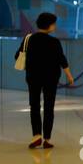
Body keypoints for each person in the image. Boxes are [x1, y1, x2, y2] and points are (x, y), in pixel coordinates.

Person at [18, 12, 72, 149]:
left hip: (33, 77)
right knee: (49, 107)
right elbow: (62, 60)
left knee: (34, 105)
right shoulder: (54, 42)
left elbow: (17, 56)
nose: (55, 26)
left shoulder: (28, 39)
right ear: (50, 25)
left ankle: (36, 135)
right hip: (51, 78)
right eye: (54, 23)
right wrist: (69, 76)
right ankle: (47, 138)